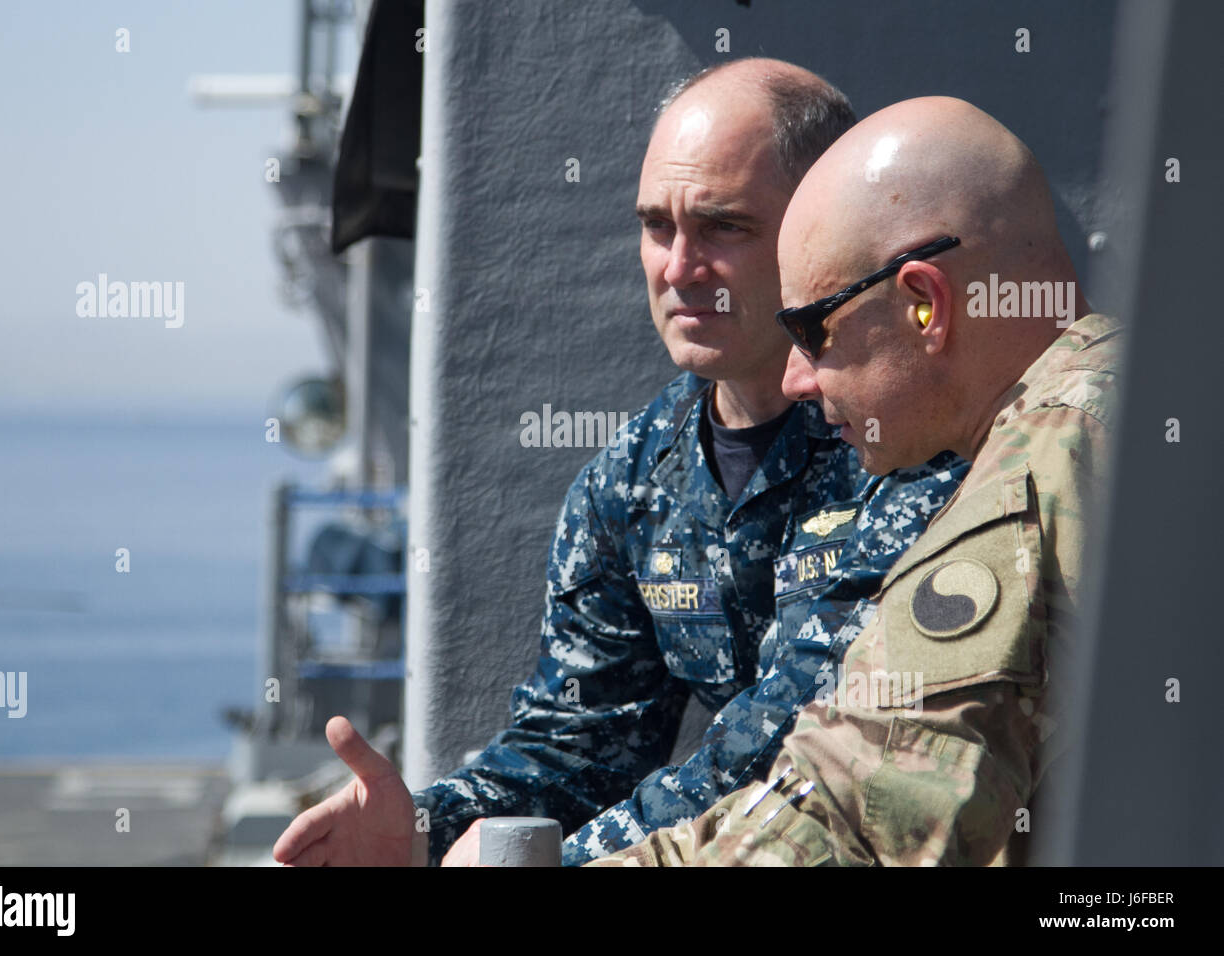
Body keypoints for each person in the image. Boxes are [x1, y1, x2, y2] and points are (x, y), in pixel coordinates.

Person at [273, 60, 966, 868]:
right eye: (657, 226)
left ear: (820, 223)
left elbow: (790, 743)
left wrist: (558, 865)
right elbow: (580, 739)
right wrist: (424, 830)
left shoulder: (907, 443)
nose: (678, 268)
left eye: (724, 227)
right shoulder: (633, 480)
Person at [588, 95, 1119, 867]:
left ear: (926, 306)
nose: (797, 378)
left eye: (812, 331)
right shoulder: (1129, 405)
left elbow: (859, 818)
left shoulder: (1043, 471)